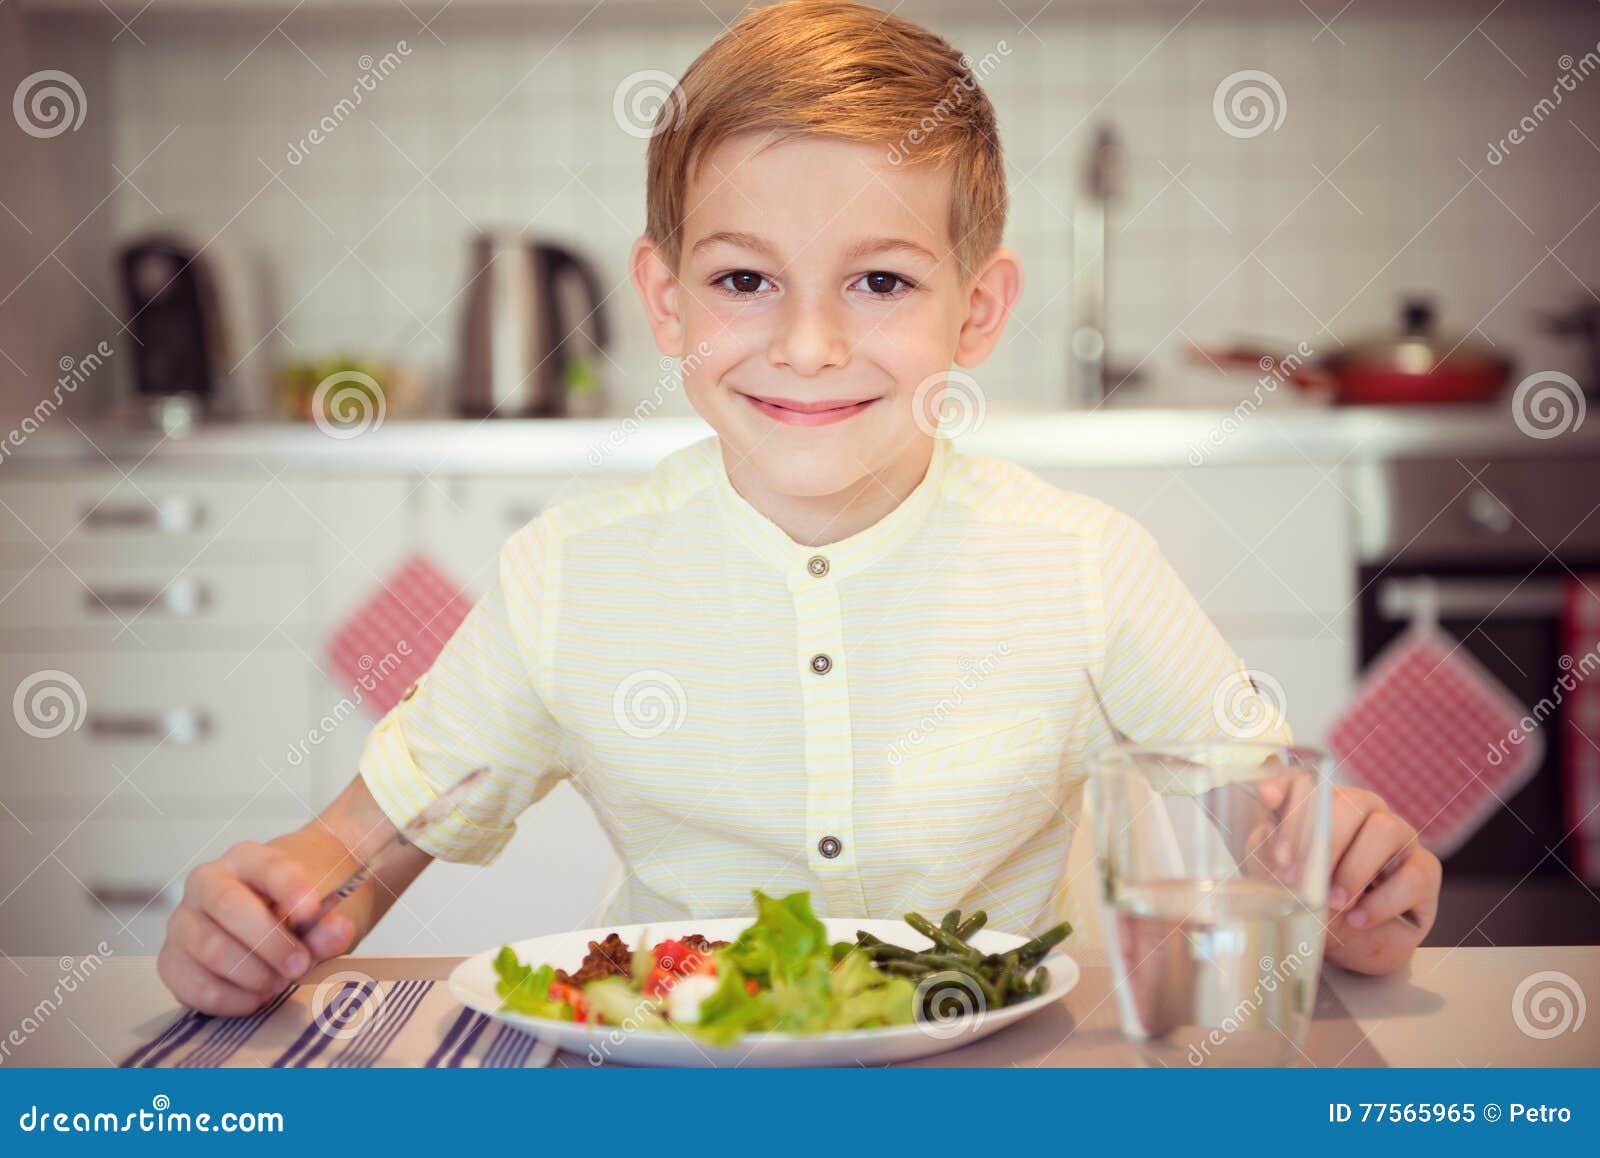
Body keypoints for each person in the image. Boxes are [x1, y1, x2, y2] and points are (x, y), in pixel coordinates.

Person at [157, 0, 1441, 1016]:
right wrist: (260, 917)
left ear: (976, 311)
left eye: (880, 280)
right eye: (744, 280)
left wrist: (1360, 887)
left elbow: (1284, 850)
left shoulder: (1086, 567)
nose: (810, 345)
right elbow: (354, 858)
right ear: (665, 304)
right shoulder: (571, 576)